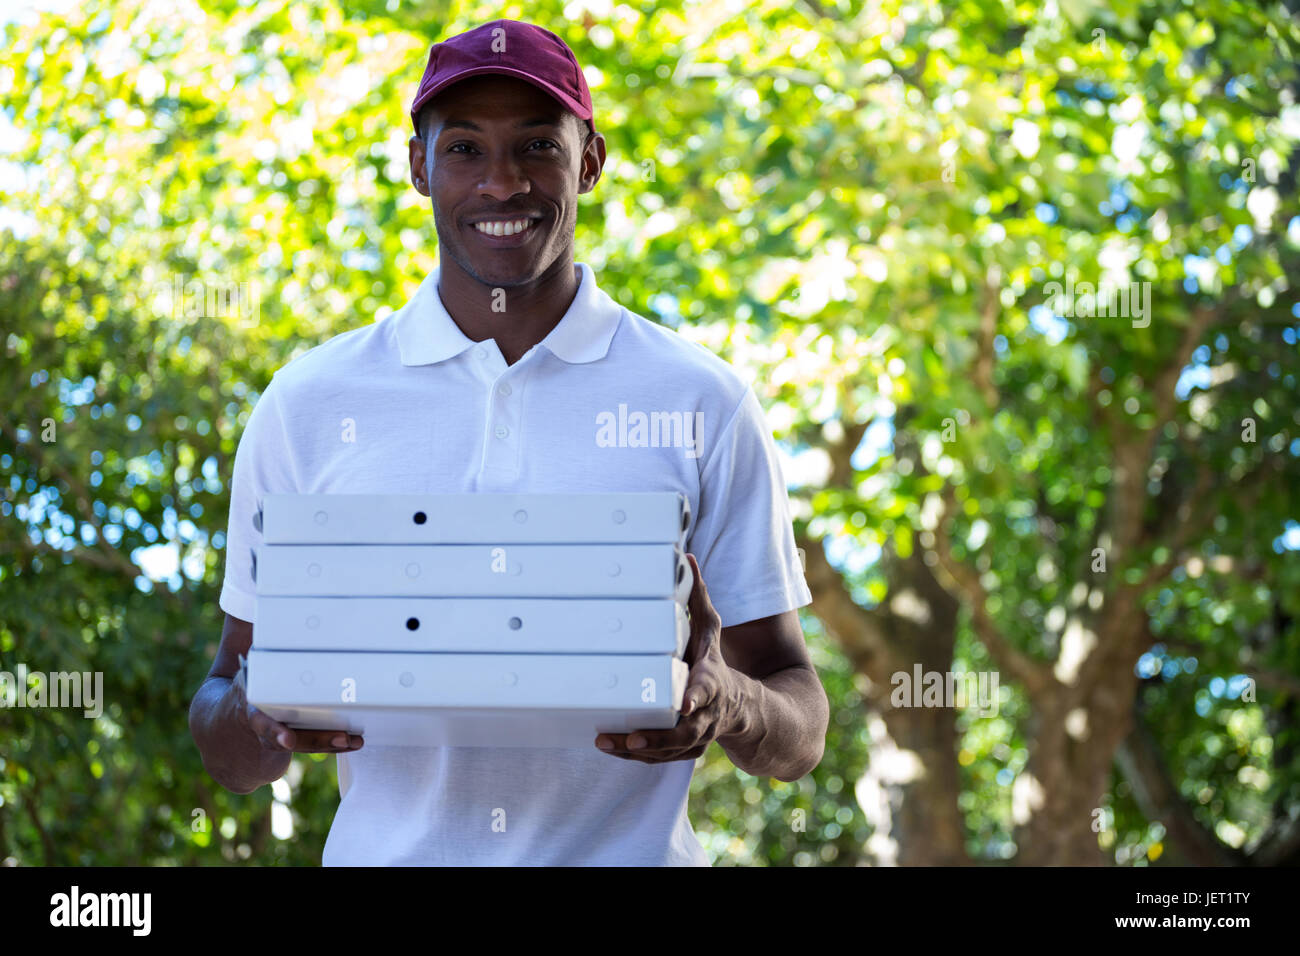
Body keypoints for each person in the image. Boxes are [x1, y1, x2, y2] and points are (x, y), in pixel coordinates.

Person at [188, 18, 828, 866]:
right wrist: (260, 717)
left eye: (537, 146)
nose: (501, 182)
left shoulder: (700, 400)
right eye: (463, 149)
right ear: (418, 167)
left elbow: (800, 715)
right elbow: (225, 719)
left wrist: (729, 706)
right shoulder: (309, 404)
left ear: (588, 163)